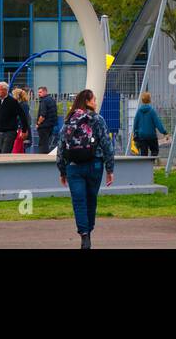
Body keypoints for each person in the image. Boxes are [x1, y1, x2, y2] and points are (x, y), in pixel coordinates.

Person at [57, 89, 115, 249]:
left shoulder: (69, 119)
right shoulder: (97, 119)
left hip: (73, 166)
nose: (96, 103)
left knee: (79, 201)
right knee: (91, 199)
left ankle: (84, 234)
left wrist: (62, 170)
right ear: (88, 101)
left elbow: (61, 146)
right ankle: (89, 230)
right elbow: (106, 145)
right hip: (94, 164)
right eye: (94, 100)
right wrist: (110, 169)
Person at [0, 81, 30, 154]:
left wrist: (24, 130)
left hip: (10, 132)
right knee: (2, 152)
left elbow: (22, 115)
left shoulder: (13, 101)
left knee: (5, 152)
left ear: (5, 90)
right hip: (0, 132)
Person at [131, 91, 167, 156]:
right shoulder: (152, 111)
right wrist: (164, 132)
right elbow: (157, 123)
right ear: (149, 100)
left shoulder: (139, 111)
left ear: (142, 100)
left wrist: (135, 133)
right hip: (151, 135)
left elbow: (135, 123)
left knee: (144, 154)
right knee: (155, 150)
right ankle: (152, 163)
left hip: (142, 136)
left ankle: (144, 165)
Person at [35, 86, 58, 154]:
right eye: (38, 92)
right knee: (46, 142)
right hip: (51, 125)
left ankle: (42, 158)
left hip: (44, 126)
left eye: (40, 92)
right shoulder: (52, 99)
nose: (39, 94)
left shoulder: (44, 101)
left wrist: (38, 124)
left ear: (45, 92)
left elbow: (42, 115)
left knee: (42, 143)